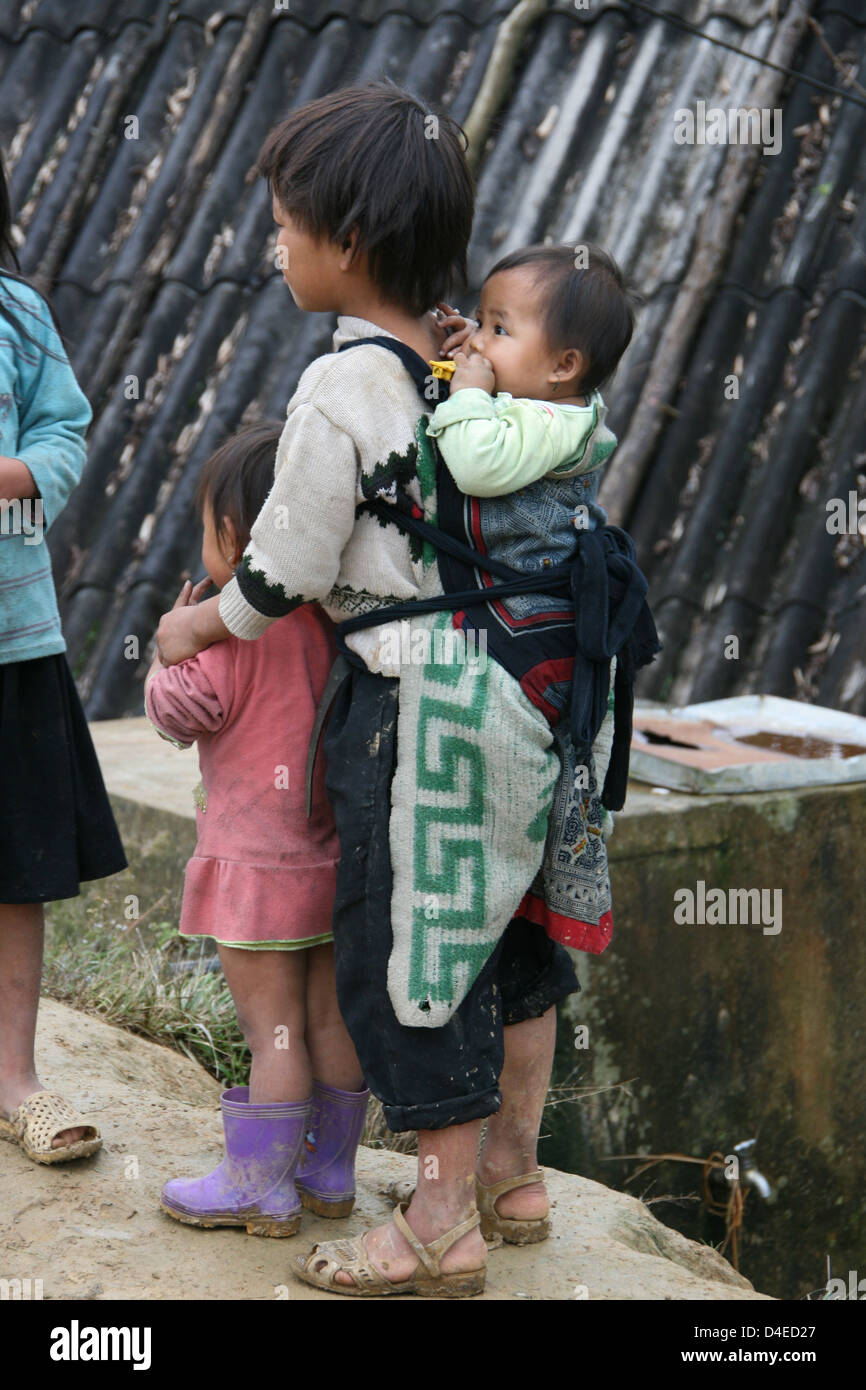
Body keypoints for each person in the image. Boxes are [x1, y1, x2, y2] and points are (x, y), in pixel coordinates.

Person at [155, 79, 620, 1298]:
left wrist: (198, 620)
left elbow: (289, 561)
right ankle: (510, 1179)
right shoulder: (471, 363)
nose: (272, 242)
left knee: (405, 952)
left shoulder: (343, 386)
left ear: (345, 241)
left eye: (284, 221)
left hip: (413, 700)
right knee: (499, 938)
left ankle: (436, 1220)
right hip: (520, 688)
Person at [145, 423, 367, 1237]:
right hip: (332, 862)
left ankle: (258, 1186)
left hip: (254, 873)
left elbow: (183, 711)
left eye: (206, 528)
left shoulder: (226, 629)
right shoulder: (335, 618)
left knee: (269, 1029)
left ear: (235, 539)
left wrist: (168, 654)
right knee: (328, 1018)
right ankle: (330, 1173)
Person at [0, 152, 127, 1165]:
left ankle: (14, 1079)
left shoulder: (17, 314)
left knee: (16, 871)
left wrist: (14, 475)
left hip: (12, 640)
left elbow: (66, 431)